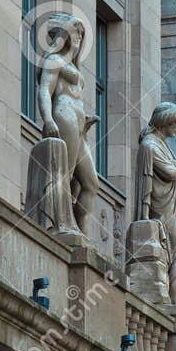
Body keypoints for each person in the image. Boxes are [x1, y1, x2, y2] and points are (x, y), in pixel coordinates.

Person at [36, 15, 99, 235]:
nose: (79, 37)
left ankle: (80, 228)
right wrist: (48, 119)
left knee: (91, 183)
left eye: (82, 33)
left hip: (79, 123)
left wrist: (86, 118)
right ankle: (62, 223)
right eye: (76, 32)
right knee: (65, 173)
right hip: (64, 116)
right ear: (63, 35)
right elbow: (44, 89)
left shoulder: (73, 66)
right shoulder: (55, 61)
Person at [136, 102, 176, 308]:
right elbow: (171, 172)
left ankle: (174, 297)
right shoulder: (150, 145)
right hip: (161, 212)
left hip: (170, 210)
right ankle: (174, 299)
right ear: (165, 122)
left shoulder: (161, 143)